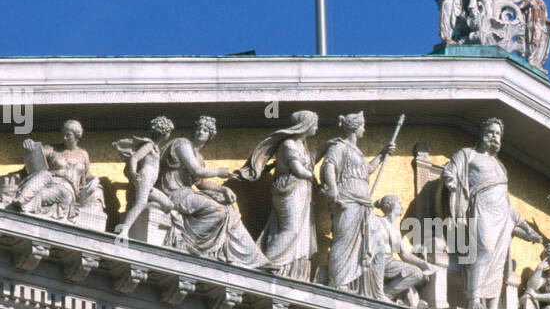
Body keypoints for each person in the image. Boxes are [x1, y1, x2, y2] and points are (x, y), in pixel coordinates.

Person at [443, 117, 543, 309]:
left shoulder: (500, 166)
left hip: (502, 214)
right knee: (485, 251)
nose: (494, 137)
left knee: (499, 260)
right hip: (481, 207)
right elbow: (449, 172)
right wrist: (452, 184)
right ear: (482, 133)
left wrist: (528, 230)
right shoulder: (467, 155)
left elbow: (507, 203)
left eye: (498, 134)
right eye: (491, 132)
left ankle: (492, 306)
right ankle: (474, 299)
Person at [157, 116, 268, 269]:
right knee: (218, 211)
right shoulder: (182, 144)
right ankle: (184, 243)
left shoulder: (199, 157)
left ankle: (249, 258)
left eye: (205, 130)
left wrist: (223, 189)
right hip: (174, 193)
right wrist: (218, 172)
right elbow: (196, 170)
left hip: (186, 193)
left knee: (229, 210)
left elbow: (201, 183)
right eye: (198, 128)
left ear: (210, 136)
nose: (199, 132)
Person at [233, 110, 319, 279]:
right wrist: (314, 179)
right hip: (289, 191)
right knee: (291, 230)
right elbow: (298, 169)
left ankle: (286, 270)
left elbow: (309, 163)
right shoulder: (289, 144)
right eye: (314, 123)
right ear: (305, 125)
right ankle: (266, 263)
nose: (316, 127)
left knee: (297, 231)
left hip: (301, 192)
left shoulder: (302, 146)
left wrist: (326, 147)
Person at [320, 112, 394, 292]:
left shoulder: (357, 152)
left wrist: (382, 154)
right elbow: (329, 165)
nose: (364, 129)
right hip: (348, 199)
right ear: (355, 127)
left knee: (361, 244)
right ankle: (338, 281)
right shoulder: (339, 147)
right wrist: (333, 190)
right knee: (344, 239)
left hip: (363, 203)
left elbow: (367, 170)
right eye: (362, 126)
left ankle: (351, 282)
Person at [9, 119, 105, 223]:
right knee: (45, 174)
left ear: (77, 136)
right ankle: (20, 200)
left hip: (67, 190)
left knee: (56, 191)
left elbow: (87, 176)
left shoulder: (83, 154)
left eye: (68, 135)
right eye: (63, 134)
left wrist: (95, 180)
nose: (64, 137)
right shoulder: (53, 149)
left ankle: (22, 208)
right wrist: (29, 144)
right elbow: (35, 152)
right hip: (49, 184)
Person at [113, 116, 175, 237]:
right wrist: (134, 174)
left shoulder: (156, 148)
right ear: (164, 133)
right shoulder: (149, 145)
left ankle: (140, 210)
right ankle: (124, 231)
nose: (169, 134)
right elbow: (134, 158)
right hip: (145, 177)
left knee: (168, 205)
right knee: (140, 203)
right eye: (169, 132)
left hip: (150, 184)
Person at [370, 196, 435, 307]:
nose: (402, 207)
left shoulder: (395, 229)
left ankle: (385, 294)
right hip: (376, 259)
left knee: (417, 273)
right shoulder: (376, 220)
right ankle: (379, 294)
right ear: (391, 205)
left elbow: (404, 254)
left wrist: (423, 264)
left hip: (389, 261)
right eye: (399, 204)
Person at [521, 0, 550, 69]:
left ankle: (537, 63)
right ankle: (531, 60)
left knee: (540, 43)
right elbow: (520, 9)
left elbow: (544, 17)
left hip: (541, 26)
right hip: (531, 23)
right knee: (532, 41)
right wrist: (528, 5)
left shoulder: (542, 3)